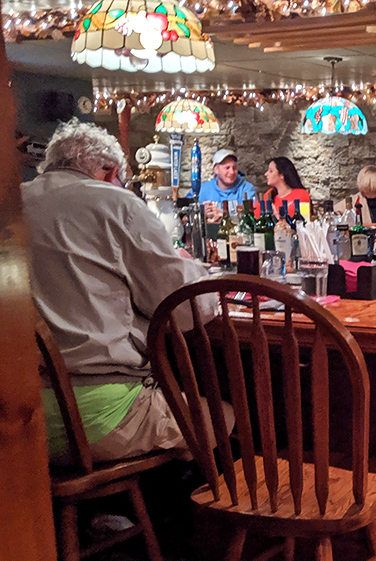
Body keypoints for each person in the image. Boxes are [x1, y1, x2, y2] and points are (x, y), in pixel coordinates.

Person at [22, 119, 231, 464]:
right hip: (99, 418)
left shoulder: (13, 201)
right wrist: (192, 269)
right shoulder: (115, 202)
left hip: (20, 417)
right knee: (226, 415)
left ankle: (109, 514)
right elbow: (187, 309)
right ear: (108, 171)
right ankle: (188, 514)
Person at [199, 149, 256, 220]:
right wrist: (201, 213)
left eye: (234, 168)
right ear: (216, 169)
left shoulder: (246, 189)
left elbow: (253, 217)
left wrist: (223, 215)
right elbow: (186, 211)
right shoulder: (203, 189)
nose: (232, 172)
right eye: (227, 168)